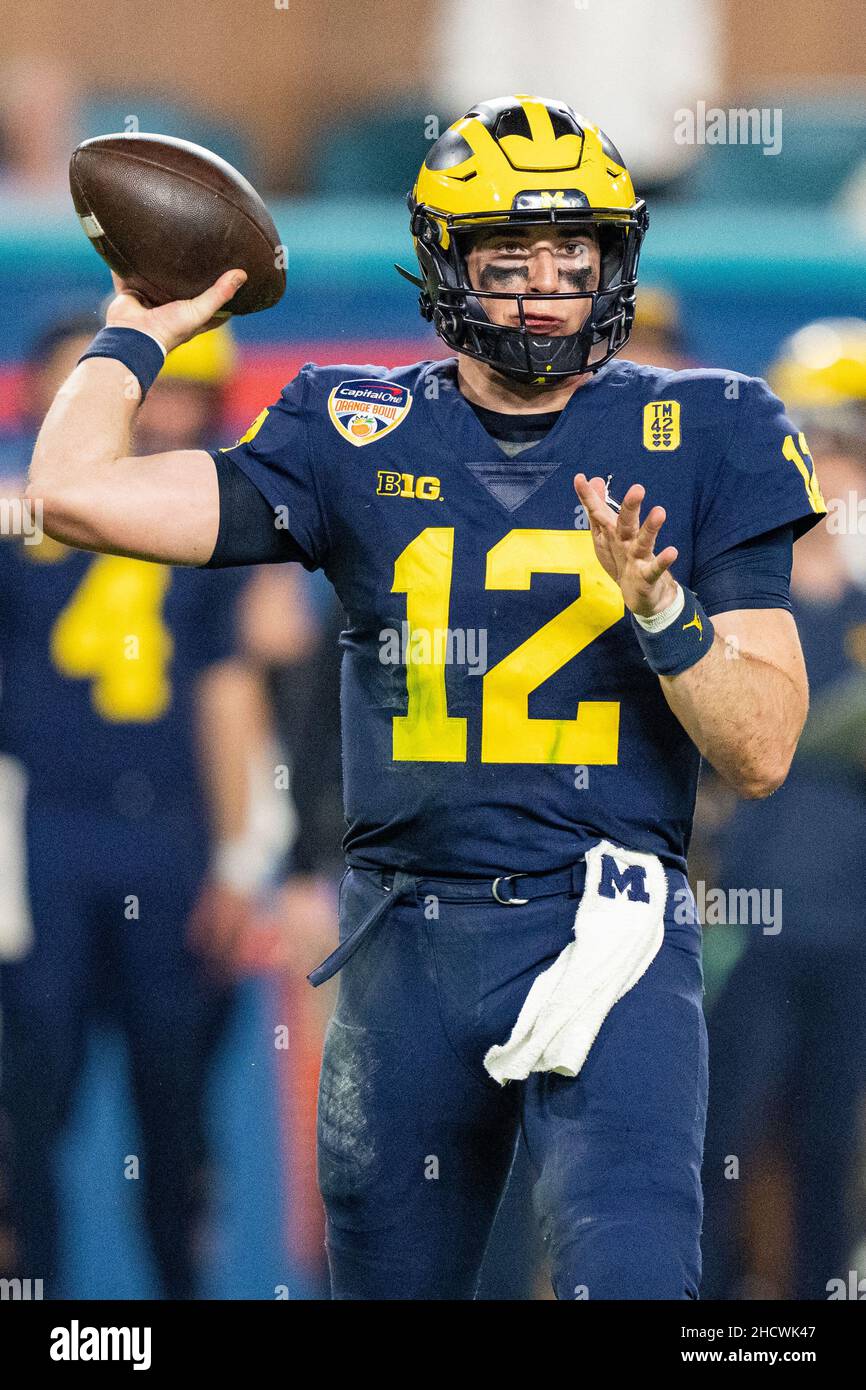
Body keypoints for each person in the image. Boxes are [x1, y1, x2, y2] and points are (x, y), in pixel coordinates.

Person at [26, 96, 825, 1300]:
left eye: (576, 254)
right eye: (510, 259)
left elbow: (760, 748)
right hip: (408, 937)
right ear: (446, 264)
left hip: (605, 926)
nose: (548, 287)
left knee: (635, 1281)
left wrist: (664, 615)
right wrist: (137, 326)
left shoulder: (706, 427)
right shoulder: (351, 423)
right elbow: (74, 492)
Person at [0, 320, 268, 1298]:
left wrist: (242, 862)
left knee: (176, 1117)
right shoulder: (23, 517)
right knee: (28, 1111)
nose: (152, 416)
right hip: (43, 841)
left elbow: (227, 695)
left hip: (168, 841)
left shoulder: (209, 523)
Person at [701, 323, 866, 1299]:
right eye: (813, 439)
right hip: (739, 922)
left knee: (821, 1157)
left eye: (845, 441)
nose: (831, 466)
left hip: (847, 927)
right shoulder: (735, 586)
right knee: (715, 1151)